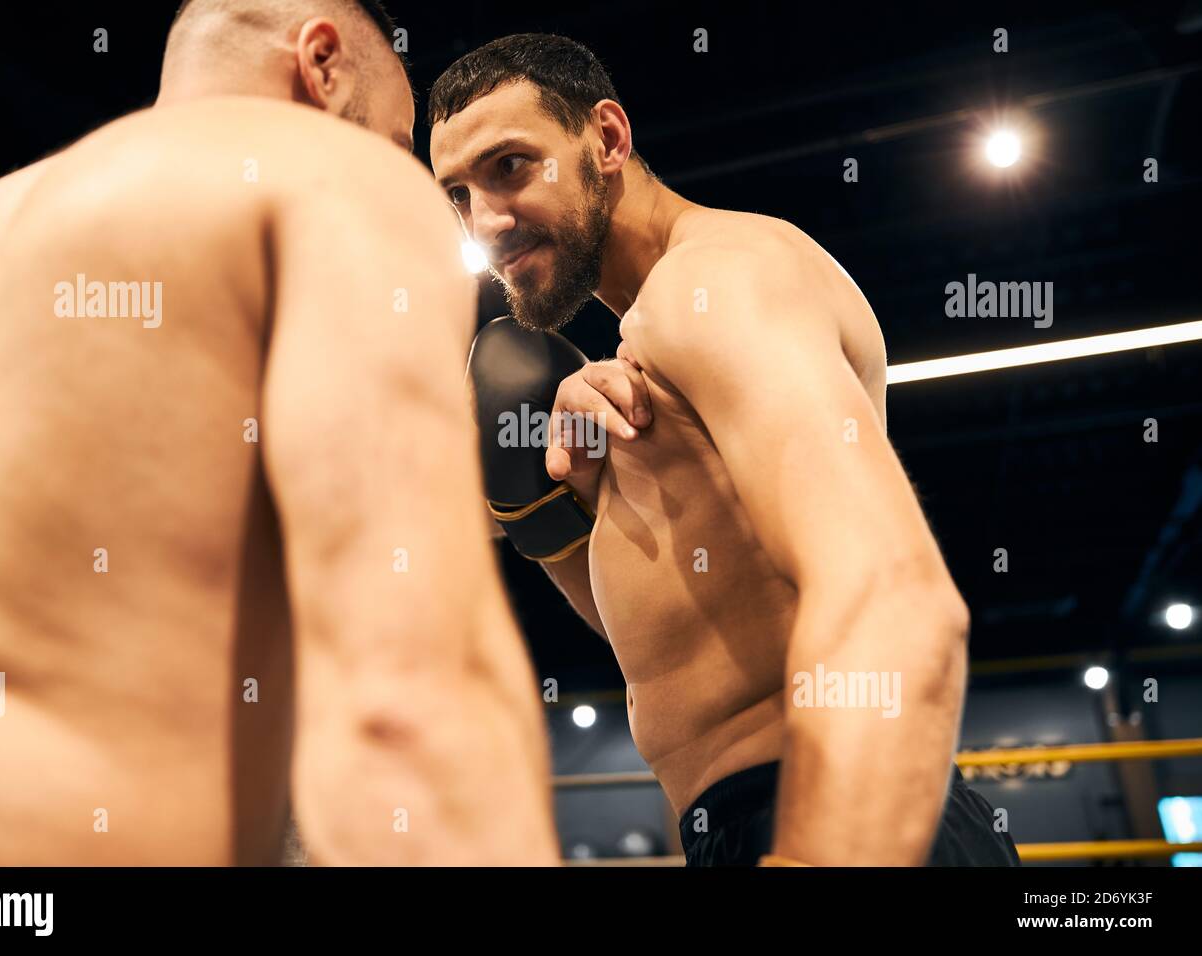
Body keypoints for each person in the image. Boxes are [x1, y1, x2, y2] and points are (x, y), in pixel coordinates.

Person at [0, 1, 558, 866]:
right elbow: (406, 698)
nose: (401, 175)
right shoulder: (323, 177)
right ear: (322, 64)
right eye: (399, 143)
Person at [435, 33, 1019, 865]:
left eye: (510, 167)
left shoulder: (716, 284)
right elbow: (684, 658)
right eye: (457, 194)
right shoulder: (654, 341)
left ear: (606, 139)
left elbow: (897, 596)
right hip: (744, 814)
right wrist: (561, 524)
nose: (484, 221)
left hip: (835, 804)